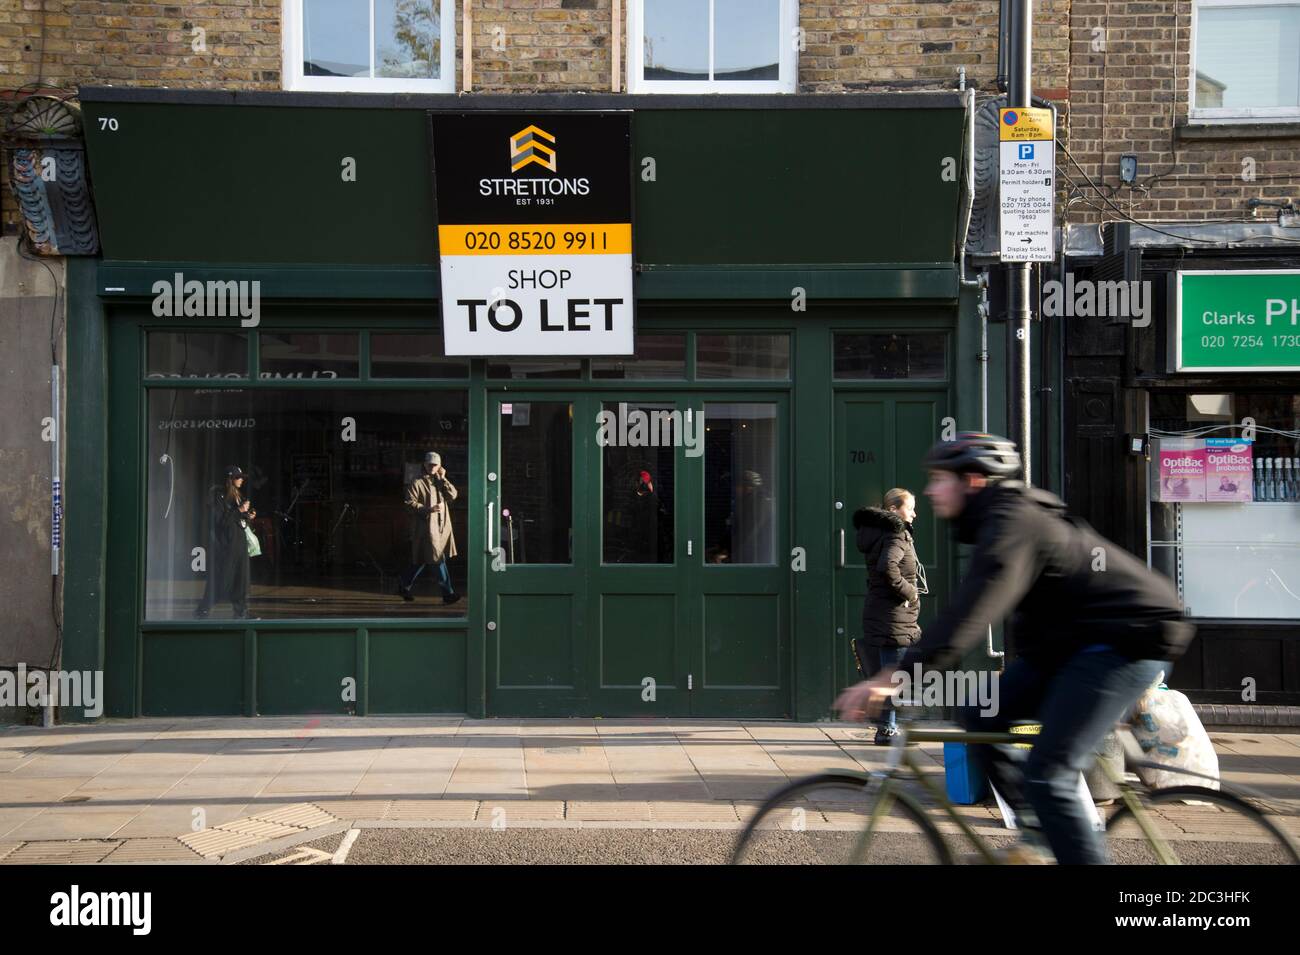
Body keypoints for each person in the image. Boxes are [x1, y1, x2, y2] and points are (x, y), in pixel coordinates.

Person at [834, 433, 1195, 864]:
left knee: (1050, 771)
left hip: (1128, 639)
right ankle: (1038, 840)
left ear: (973, 480)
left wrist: (894, 676)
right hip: (1073, 645)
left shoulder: (1013, 522)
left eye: (938, 479)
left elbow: (970, 614)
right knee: (980, 714)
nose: (929, 490)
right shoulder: (994, 524)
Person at [851, 487, 922, 745]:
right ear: (893, 510)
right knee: (896, 672)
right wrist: (910, 592)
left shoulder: (879, 534)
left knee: (888, 671)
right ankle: (888, 729)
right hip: (894, 615)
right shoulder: (896, 534)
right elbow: (887, 568)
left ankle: (886, 725)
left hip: (882, 611)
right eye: (910, 508)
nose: (914, 514)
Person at [195, 465, 257, 619]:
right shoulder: (218, 496)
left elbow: (237, 518)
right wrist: (240, 511)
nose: (241, 480)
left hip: (239, 543)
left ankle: (241, 612)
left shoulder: (238, 495)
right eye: (237, 477)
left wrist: (248, 515)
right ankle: (203, 609)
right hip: (226, 545)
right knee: (221, 579)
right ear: (229, 479)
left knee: (240, 580)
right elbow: (220, 521)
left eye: (242, 477)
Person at [398, 451, 460, 605]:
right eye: (430, 464)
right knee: (437, 558)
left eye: (435, 465)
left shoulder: (440, 480)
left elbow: (453, 495)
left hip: (442, 527)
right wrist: (427, 509)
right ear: (424, 464)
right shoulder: (417, 482)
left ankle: (403, 585)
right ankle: (448, 593)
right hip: (425, 528)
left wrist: (443, 478)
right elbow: (409, 503)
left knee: (422, 559)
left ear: (440, 466)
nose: (432, 467)